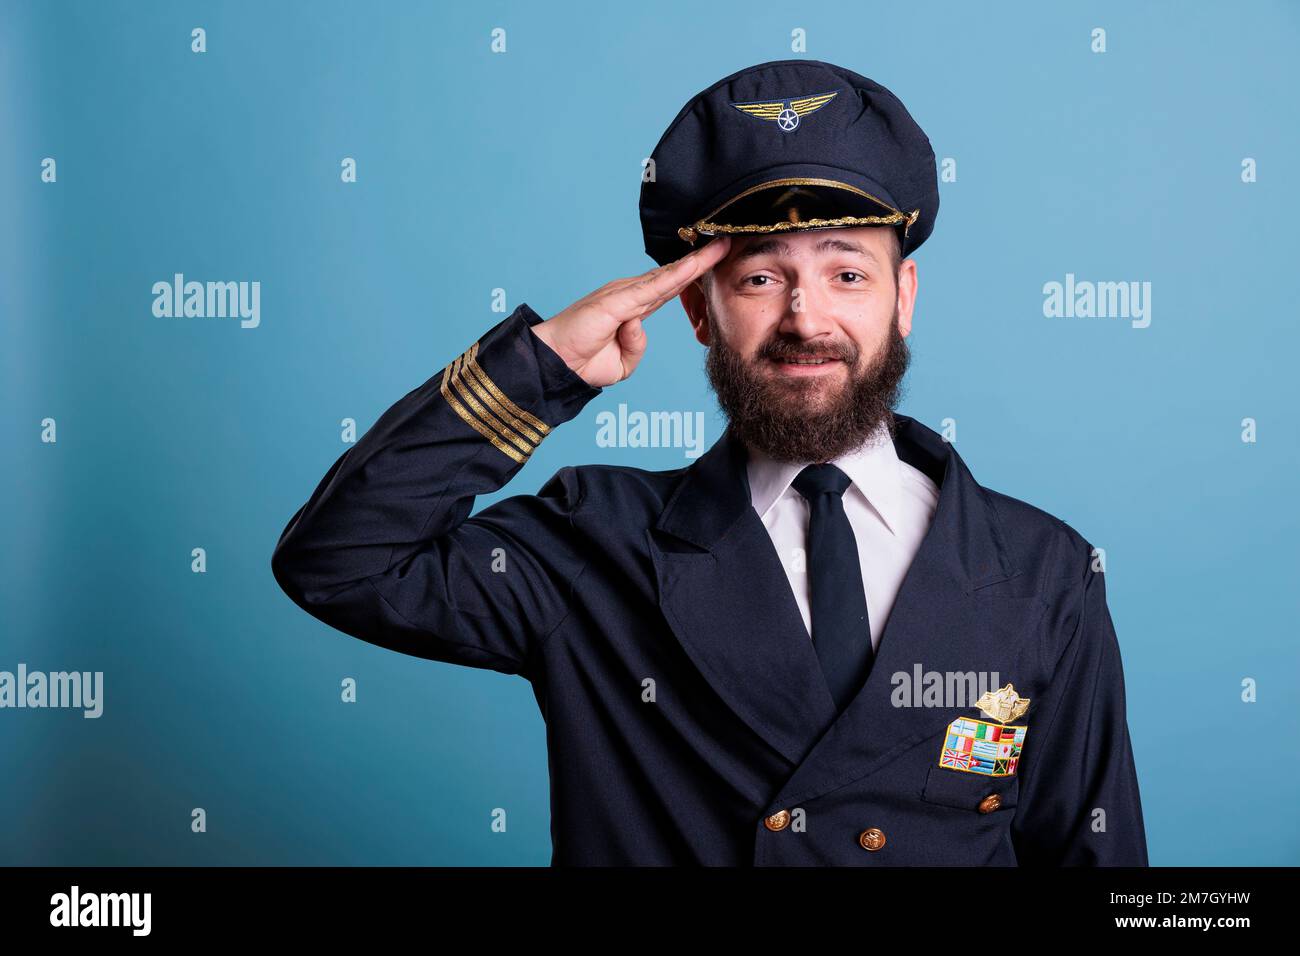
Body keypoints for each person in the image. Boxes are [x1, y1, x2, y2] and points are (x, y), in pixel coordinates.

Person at [271, 59, 1148, 866]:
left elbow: (1093, 856)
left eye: (848, 274)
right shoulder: (595, 541)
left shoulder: (1044, 572)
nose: (807, 319)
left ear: (903, 297)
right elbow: (341, 563)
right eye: (760, 279)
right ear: (697, 311)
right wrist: (538, 371)